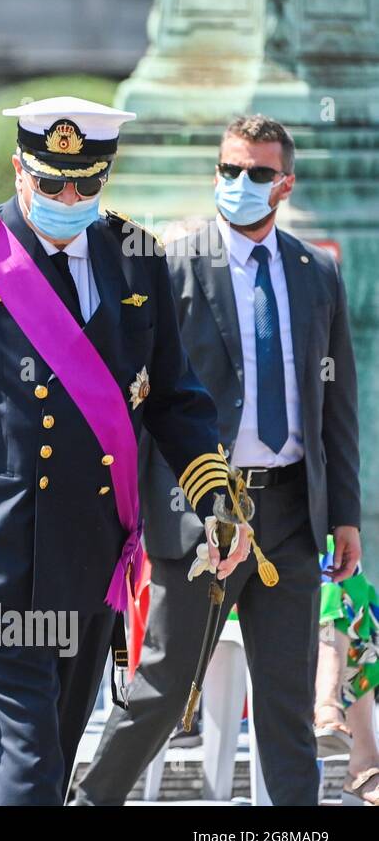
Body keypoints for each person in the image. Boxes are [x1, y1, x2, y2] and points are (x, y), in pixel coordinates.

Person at [0, 96, 250, 806]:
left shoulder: (135, 257)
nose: (69, 197)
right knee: (25, 771)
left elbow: (177, 399)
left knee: (53, 751)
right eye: (51, 182)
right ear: (20, 170)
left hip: (90, 553)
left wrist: (217, 504)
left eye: (87, 183)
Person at [70, 114, 361, 806]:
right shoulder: (173, 263)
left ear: (284, 184)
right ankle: (88, 803)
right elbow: (139, 398)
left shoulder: (315, 271)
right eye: (229, 170)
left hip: (292, 510)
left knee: (287, 695)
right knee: (167, 686)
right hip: (203, 508)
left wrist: (344, 514)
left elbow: (337, 405)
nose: (240, 184)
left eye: (257, 174)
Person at [315, 538, 378, 805]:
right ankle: (363, 760)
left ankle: (328, 704)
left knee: (342, 568)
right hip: (236, 566)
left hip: (298, 562)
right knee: (342, 582)